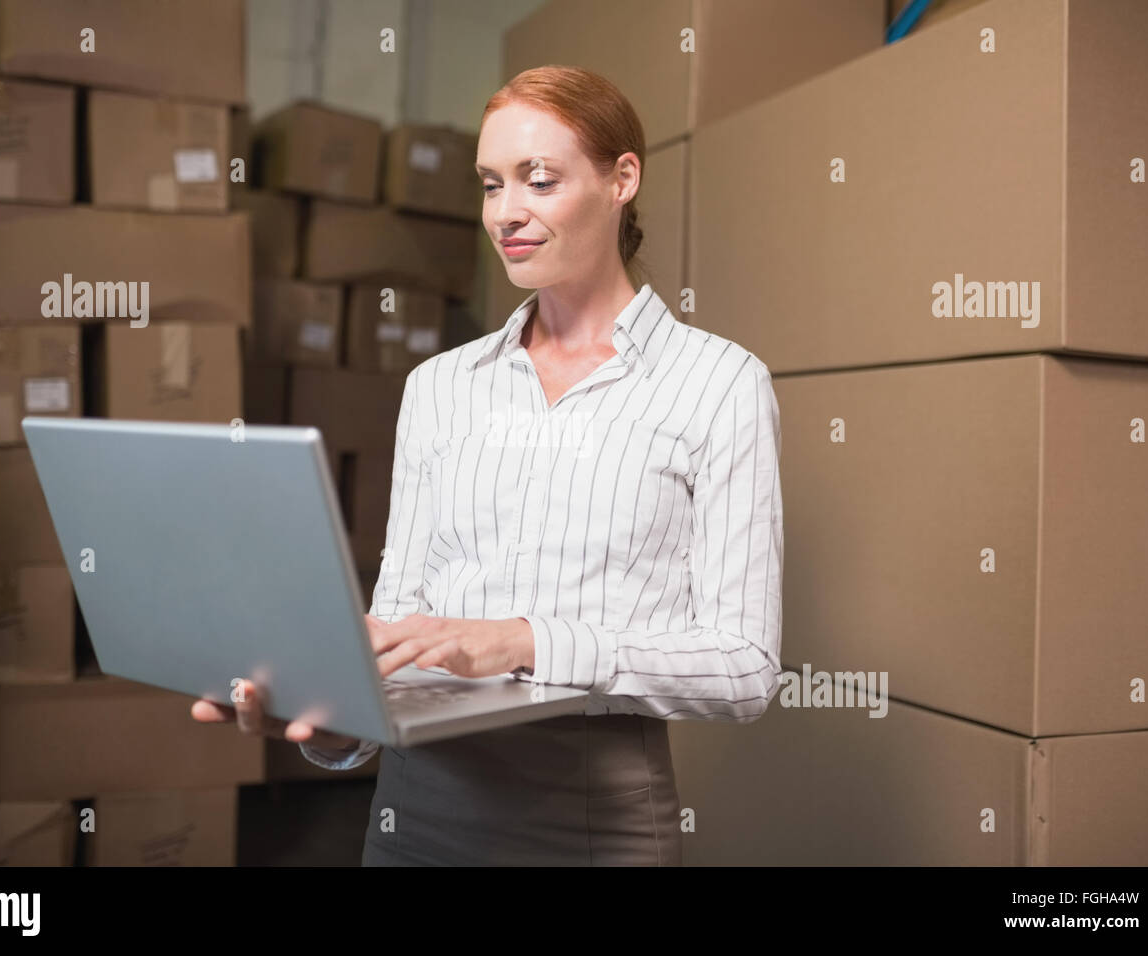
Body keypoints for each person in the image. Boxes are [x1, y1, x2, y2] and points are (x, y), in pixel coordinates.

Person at [193, 65, 784, 866]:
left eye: (539, 180)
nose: (507, 213)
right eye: (490, 184)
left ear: (622, 179)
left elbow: (744, 670)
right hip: (413, 818)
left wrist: (524, 640)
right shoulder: (439, 387)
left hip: (593, 825)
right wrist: (339, 718)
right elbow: (399, 628)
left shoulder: (719, 385)